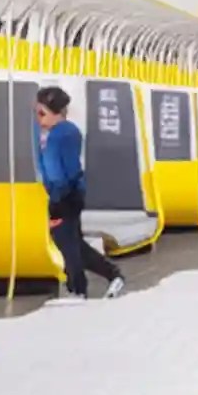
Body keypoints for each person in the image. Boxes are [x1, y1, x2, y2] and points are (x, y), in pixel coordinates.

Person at [35, 86, 126, 300]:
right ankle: (111, 275)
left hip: (65, 195)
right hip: (66, 194)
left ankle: (78, 289)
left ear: (57, 112)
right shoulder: (57, 133)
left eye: (42, 113)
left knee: (66, 243)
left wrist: (58, 197)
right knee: (74, 244)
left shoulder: (63, 134)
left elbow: (63, 170)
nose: (38, 119)